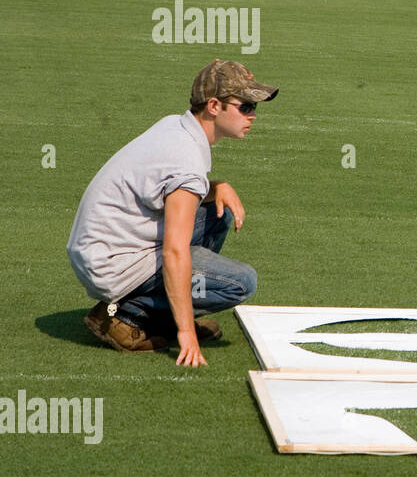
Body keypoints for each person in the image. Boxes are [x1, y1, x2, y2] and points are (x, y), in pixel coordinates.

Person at [68, 59, 278, 367]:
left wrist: (216, 186)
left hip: (103, 248)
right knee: (241, 282)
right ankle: (127, 314)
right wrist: (186, 331)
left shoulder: (176, 126)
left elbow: (169, 191)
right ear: (215, 105)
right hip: (111, 264)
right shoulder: (186, 161)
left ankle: (156, 309)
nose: (253, 115)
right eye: (245, 106)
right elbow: (175, 252)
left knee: (219, 214)